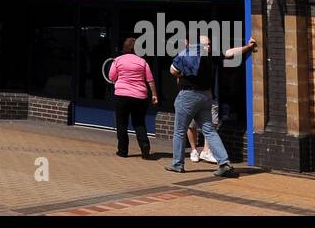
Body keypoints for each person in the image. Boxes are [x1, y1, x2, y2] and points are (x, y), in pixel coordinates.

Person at [167, 33, 255, 178]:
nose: (208, 46)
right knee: (209, 131)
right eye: (206, 44)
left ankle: (177, 164)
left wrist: (182, 73)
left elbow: (173, 70)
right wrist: (248, 47)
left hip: (188, 95)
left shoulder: (189, 54)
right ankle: (224, 163)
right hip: (206, 96)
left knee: (179, 130)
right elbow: (229, 53)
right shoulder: (210, 56)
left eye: (209, 44)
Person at [108, 36, 157, 158]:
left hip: (122, 96)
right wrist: (154, 94)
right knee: (139, 123)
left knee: (121, 124)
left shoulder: (118, 60)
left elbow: (111, 77)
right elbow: (150, 80)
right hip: (140, 96)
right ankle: (145, 147)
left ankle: (123, 151)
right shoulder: (142, 62)